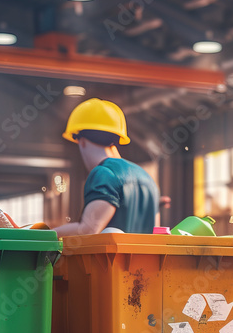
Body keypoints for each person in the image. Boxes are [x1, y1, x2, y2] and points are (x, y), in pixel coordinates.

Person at [54, 98, 160, 237]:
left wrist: (45, 235)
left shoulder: (104, 173)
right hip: (142, 253)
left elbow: (88, 230)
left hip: (111, 253)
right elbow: (156, 232)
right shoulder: (147, 177)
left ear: (82, 142)